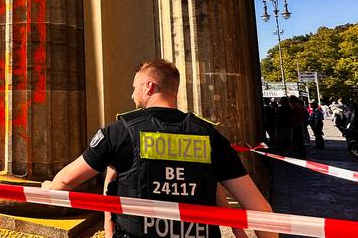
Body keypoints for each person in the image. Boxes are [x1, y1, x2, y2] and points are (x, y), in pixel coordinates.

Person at [41, 60, 276, 238]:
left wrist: (48, 187)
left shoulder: (119, 132)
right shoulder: (210, 136)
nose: (132, 94)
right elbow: (260, 209)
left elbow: (65, 182)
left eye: (135, 87)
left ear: (149, 87)